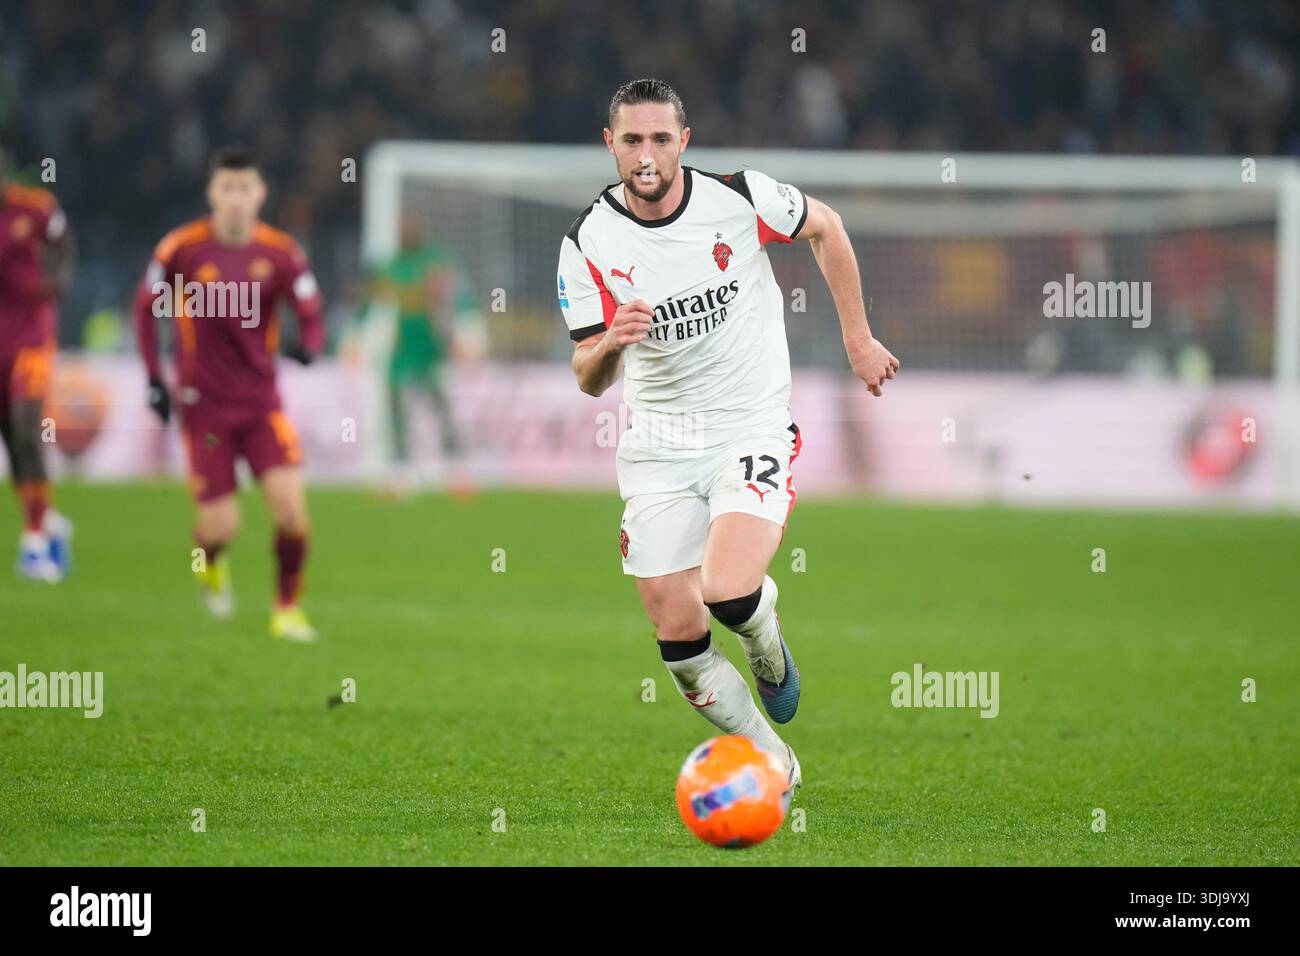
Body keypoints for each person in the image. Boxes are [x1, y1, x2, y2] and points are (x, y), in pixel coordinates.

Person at [557, 79, 899, 791]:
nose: (646, 155)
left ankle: (765, 640)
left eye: (659, 138)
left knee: (729, 591)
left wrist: (858, 338)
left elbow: (826, 227)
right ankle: (773, 756)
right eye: (631, 140)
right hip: (656, 445)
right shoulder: (587, 241)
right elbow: (588, 376)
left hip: (749, 424)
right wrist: (613, 343)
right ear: (609, 145)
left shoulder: (740, 198)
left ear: (684, 140)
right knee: (680, 648)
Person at [133, 145, 324, 641]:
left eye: (245, 188)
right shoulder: (180, 249)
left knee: (291, 511)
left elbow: (309, 307)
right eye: (227, 189)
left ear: (260, 193)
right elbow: (144, 309)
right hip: (205, 410)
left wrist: (312, 345)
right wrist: (155, 377)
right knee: (219, 528)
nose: (236, 199)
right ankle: (208, 565)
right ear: (212, 193)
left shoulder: (280, 252)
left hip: (262, 404)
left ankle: (286, 609)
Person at [0, 150, 75, 582]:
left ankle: (33, 542)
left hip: (32, 338)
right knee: (12, 439)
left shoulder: (36, 209)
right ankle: (46, 518)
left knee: (28, 426)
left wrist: (60, 278)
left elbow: (64, 242)